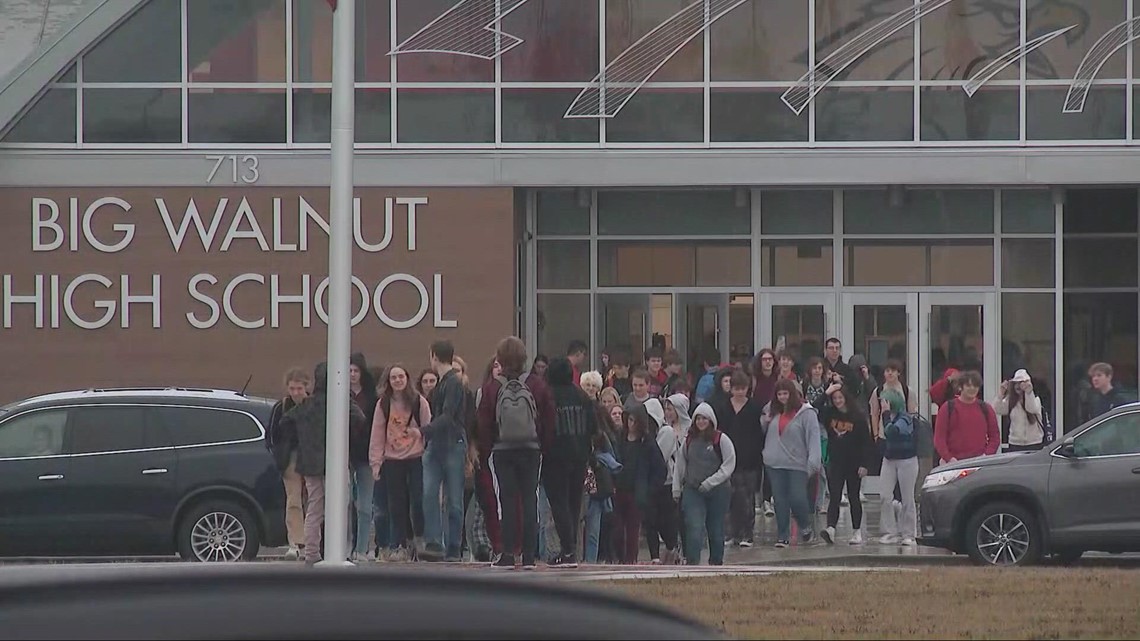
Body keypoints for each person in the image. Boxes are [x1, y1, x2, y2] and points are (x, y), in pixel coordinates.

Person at [476, 336, 556, 570]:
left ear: (499, 358)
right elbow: (550, 417)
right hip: (531, 450)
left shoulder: (492, 388)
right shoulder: (537, 384)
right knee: (530, 499)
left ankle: (508, 552)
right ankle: (530, 556)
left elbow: (483, 423)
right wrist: (542, 444)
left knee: (507, 500)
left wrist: (486, 449)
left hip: (502, 450)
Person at [277, 362, 367, 565]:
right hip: (334, 460)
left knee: (314, 508)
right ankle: (340, 551)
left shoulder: (306, 405)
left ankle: (311, 553)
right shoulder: (340, 402)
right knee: (340, 507)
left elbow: (285, 422)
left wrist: (303, 436)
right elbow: (360, 418)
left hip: (309, 462)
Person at [369, 364, 431, 562]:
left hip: (416, 457)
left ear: (407, 378)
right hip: (392, 459)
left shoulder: (418, 402)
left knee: (418, 500)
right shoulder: (383, 405)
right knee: (395, 505)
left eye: (401, 377)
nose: (397, 381)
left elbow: (428, 428)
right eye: (394, 377)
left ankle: (418, 538)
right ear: (388, 381)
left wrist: (420, 436)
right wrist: (376, 462)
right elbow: (377, 434)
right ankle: (399, 545)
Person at [543, 356, 599, 568]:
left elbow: (544, 426)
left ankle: (567, 548)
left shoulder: (548, 396)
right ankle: (571, 548)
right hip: (580, 455)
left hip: (555, 455)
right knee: (574, 503)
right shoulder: (582, 396)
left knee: (558, 503)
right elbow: (593, 427)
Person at [421, 340, 469, 562]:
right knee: (433, 494)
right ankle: (436, 543)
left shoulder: (453, 384)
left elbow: (449, 415)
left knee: (452, 499)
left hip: (451, 444)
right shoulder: (444, 384)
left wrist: (424, 431)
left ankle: (451, 546)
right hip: (439, 444)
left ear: (434, 356)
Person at [760, 378, 822, 548]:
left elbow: (813, 438)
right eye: (779, 394)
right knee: (779, 501)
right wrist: (764, 421)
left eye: (785, 393)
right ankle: (782, 536)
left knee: (797, 498)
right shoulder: (771, 411)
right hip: (774, 463)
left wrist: (814, 462)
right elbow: (763, 431)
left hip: (798, 464)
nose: (782, 397)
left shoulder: (807, 413)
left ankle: (806, 528)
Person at [673, 402, 735, 566]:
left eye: (704, 419)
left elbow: (729, 465)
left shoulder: (721, 439)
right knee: (694, 527)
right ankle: (693, 563)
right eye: (698, 418)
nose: (701, 422)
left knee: (715, 529)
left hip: (718, 491)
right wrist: (676, 488)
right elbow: (681, 464)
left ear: (711, 420)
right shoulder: (689, 440)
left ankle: (716, 563)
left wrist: (711, 482)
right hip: (693, 490)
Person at [818, 384, 875, 545]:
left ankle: (857, 531)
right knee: (835, 496)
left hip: (854, 463)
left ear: (846, 398)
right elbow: (814, 408)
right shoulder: (830, 414)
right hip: (836, 462)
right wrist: (826, 392)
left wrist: (864, 464)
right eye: (834, 398)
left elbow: (866, 442)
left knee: (853, 496)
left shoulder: (857, 417)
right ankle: (831, 528)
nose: (837, 401)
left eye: (840, 398)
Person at [611, 405, 667, 564]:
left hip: (637, 494)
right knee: (616, 531)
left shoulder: (648, 443)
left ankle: (630, 562)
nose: (631, 424)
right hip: (619, 490)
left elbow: (660, 469)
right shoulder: (620, 439)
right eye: (629, 419)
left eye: (634, 420)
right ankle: (621, 559)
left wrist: (649, 490)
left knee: (632, 532)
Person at [268, 366, 310, 561]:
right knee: (293, 500)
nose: (295, 393)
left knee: (313, 499)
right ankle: (295, 542)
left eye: (299, 388)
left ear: (306, 387)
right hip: (290, 457)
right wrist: (279, 454)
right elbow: (272, 435)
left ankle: (312, 541)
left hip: (311, 455)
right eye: (292, 388)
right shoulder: (281, 407)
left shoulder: (313, 405)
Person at [719, 370, 764, 547]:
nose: (739, 392)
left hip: (750, 460)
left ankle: (747, 533)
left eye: (743, 388)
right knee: (731, 497)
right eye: (736, 388)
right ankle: (732, 533)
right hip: (729, 458)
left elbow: (758, 433)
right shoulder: (723, 407)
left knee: (748, 497)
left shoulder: (754, 407)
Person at [877, 389, 918, 546]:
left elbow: (891, 432)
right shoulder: (888, 417)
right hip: (889, 459)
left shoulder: (905, 418)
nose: (882, 404)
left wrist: (886, 415)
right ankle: (890, 532)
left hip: (907, 460)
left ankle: (909, 534)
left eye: (884, 401)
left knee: (907, 498)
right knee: (885, 495)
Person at [348, 352, 379, 562]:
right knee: (346, 502)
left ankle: (362, 548)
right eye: (349, 370)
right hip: (345, 454)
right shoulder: (339, 393)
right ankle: (345, 547)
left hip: (366, 453)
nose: (352, 375)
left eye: (355, 370)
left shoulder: (371, 397)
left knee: (365, 505)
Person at [642, 398, 680, 565]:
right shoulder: (644, 435)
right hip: (648, 484)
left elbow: (658, 458)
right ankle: (654, 557)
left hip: (665, 484)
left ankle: (672, 549)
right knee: (650, 521)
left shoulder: (666, 432)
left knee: (665, 522)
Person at [934, 371, 1000, 465]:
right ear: (960, 387)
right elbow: (939, 439)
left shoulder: (986, 408)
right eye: (968, 385)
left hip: (979, 462)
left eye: (975, 386)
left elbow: (995, 437)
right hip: (952, 464)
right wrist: (949, 459)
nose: (972, 389)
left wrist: (986, 456)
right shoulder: (947, 408)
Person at [993, 369, 1045, 452]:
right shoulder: (1010, 401)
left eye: (1021, 383)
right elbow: (997, 409)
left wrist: (1028, 392)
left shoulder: (1035, 399)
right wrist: (1001, 393)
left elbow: (1031, 409)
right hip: (1015, 444)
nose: (1018, 386)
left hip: (1034, 443)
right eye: (1016, 383)